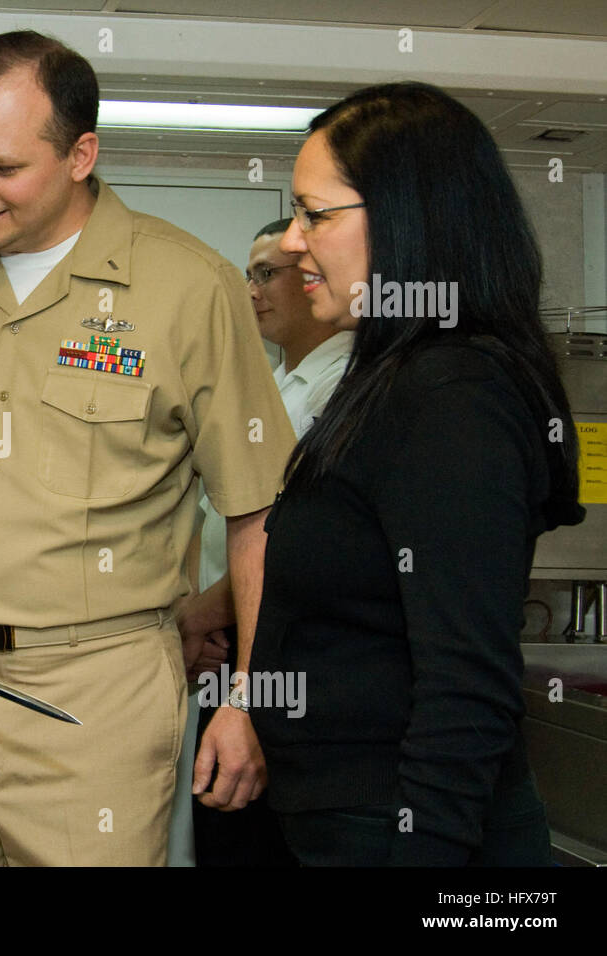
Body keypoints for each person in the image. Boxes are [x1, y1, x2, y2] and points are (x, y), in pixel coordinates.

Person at [0, 30, 295, 866]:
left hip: (99, 695)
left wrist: (248, 698)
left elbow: (256, 508)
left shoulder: (187, 288)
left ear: (82, 153)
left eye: (2, 167)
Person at [250, 81, 584, 866]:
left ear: (406, 217)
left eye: (314, 214)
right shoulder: (393, 375)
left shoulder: (453, 395)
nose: (294, 242)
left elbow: (465, 690)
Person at [172, 217, 352, 866]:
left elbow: (301, 540)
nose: (252, 291)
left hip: (287, 668)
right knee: (219, 830)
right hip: (225, 654)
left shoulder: (344, 394)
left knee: (260, 842)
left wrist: (204, 614)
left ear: (315, 277)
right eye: (248, 275)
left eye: (267, 274)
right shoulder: (268, 384)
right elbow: (208, 517)